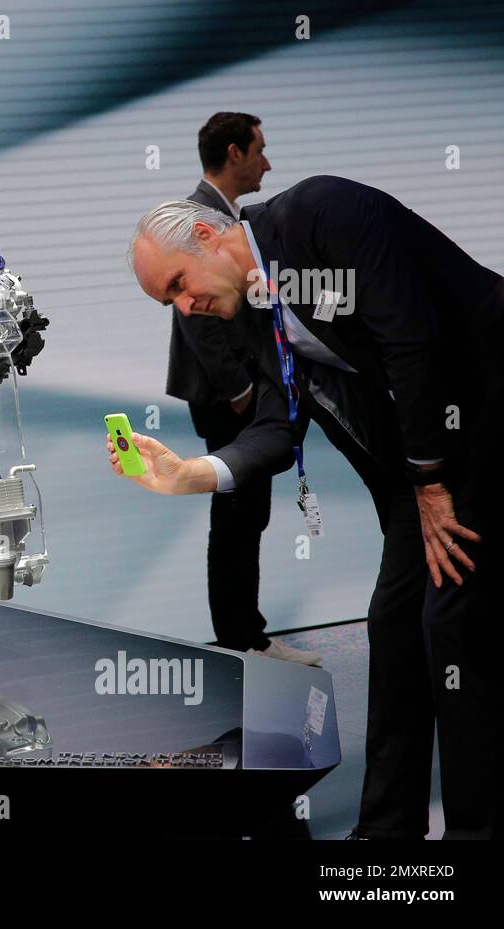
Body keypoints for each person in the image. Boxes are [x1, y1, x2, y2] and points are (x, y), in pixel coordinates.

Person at [118, 177, 502, 838]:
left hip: (487, 398)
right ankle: (387, 831)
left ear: (208, 235)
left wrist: (430, 479)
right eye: (168, 301)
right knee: (394, 620)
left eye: (179, 283)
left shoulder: (324, 215)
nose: (185, 306)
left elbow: (412, 336)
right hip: (431, 453)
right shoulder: (246, 312)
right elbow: (277, 422)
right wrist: (193, 472)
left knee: (451, 619)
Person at [165, 113, 316, 665]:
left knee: (244, 515)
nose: (267, 163)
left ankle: (244, 634)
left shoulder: (225, 215)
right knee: (237, 516)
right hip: (227, 396)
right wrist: (241, 390)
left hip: (237, 391)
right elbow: (196, 318)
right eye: (260, 150)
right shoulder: (199, 219)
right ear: (234, 153)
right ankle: (241, 641)